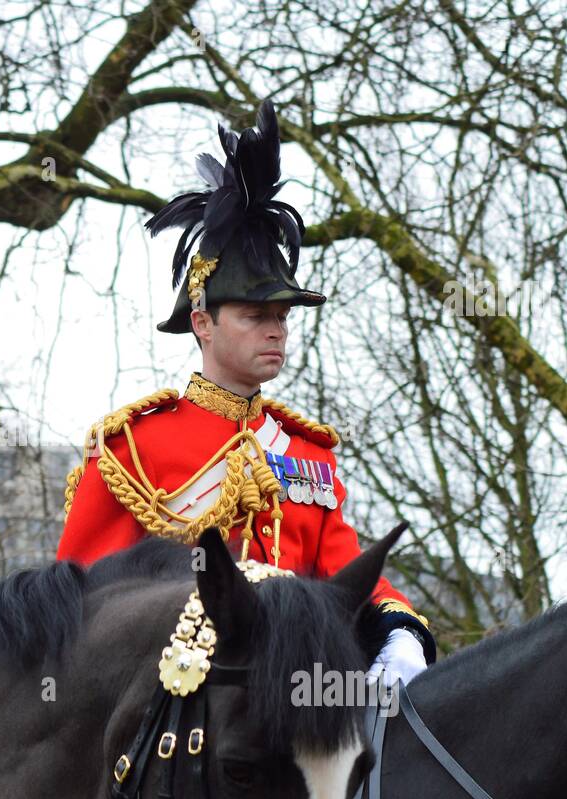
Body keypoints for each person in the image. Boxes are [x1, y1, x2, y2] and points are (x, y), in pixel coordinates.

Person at [57, 100, 435, 683]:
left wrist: (400, 626)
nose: (276, 328)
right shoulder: (132, 447)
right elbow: (81, 606)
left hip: (298, 702)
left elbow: (344, 576)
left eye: (282, 315)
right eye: (256, 313)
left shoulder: (308, 454)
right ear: (203, 323)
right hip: (173, 715)